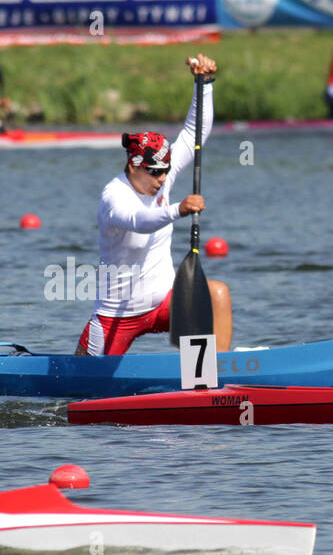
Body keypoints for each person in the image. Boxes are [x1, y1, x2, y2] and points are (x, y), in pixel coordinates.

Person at [75, 54, 232, 356]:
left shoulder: (161, 174)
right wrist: (178, 210)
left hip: (165, 304)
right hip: (116, 318)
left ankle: (215, 375)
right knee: (80, 392)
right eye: (155, 172)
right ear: (133, 165)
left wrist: (205, 83)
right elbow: (139, 220)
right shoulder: (114, 197)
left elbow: (194, 133)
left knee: (217, 293)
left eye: (165, 171)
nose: (162, 179)